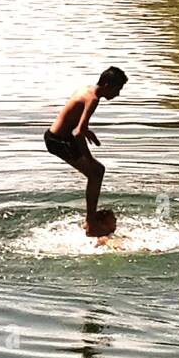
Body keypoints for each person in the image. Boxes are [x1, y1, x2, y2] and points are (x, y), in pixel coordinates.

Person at [44, 67, 128, 236]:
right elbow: (78, 132)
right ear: (106, 85)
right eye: (117, 89)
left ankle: (90, 220)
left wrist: (85, 129)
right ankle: (91, 224)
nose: (117, 94)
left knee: (97, 171)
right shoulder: (94, 98)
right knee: (96, 172)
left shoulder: (86, 90)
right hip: (59, 141)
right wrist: (88, 158)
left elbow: (75, 122)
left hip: (58, 137)